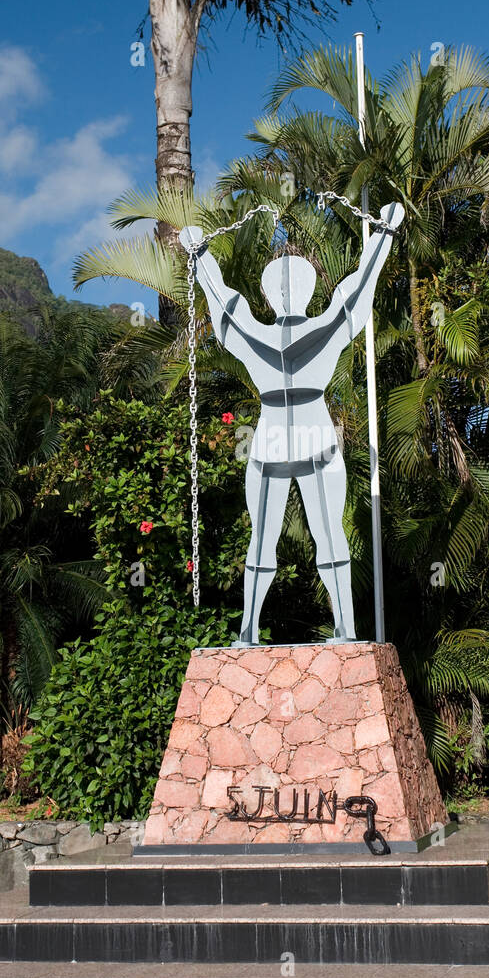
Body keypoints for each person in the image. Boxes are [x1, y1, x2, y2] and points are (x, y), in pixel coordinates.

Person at [180, 201, 404, 645]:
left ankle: (250, 632)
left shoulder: (252, 335)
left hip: (271, 442)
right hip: (314, 436)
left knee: (265, 542)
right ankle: (339, 628)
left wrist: (201, 256)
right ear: (309, 290)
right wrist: (384, 236)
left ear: (266, 297)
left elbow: (224, 306)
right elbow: (357, 294)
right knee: (324, 534)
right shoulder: (326, 328)